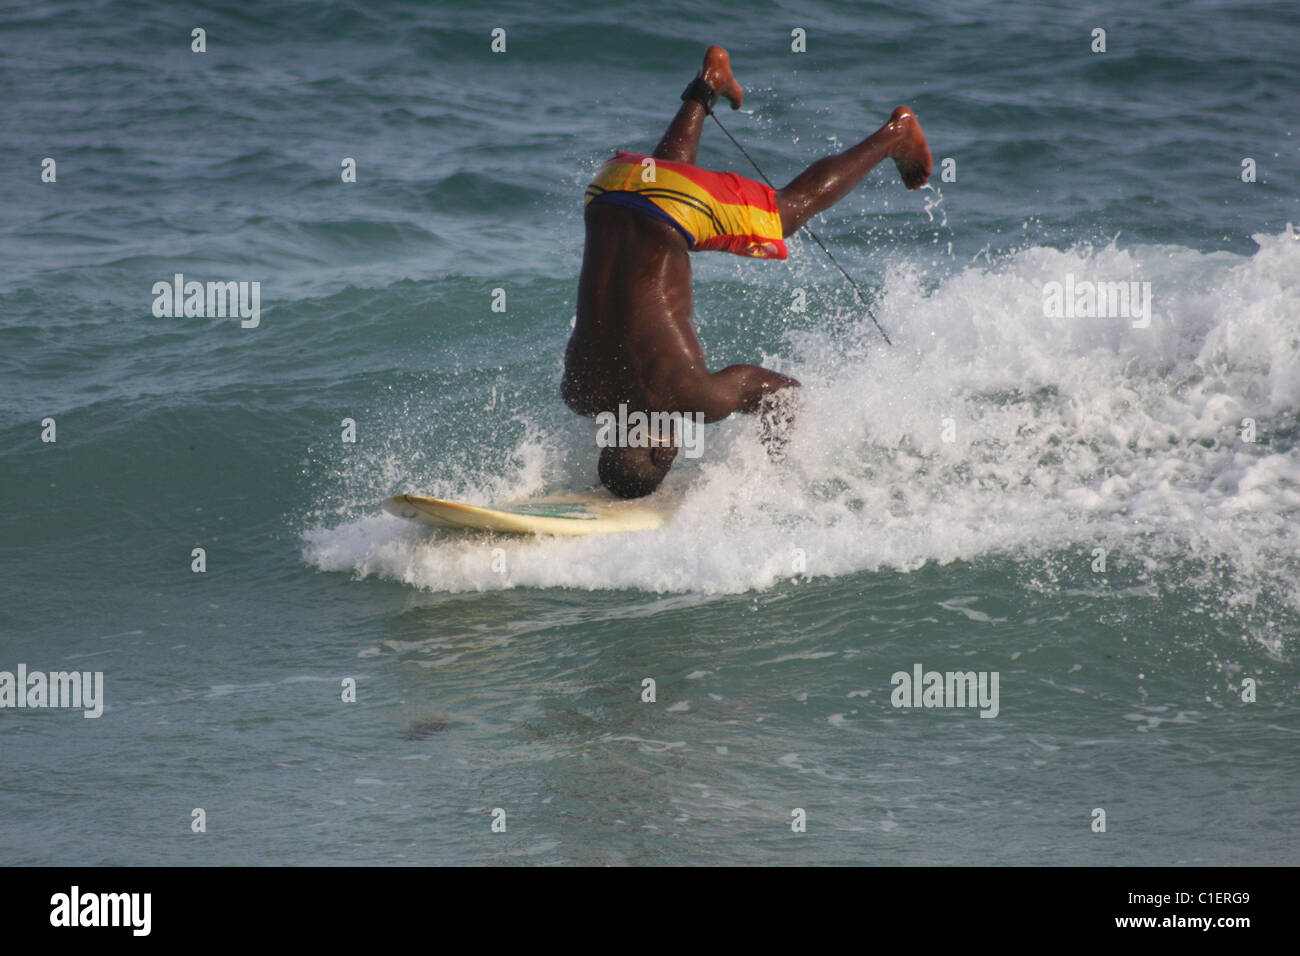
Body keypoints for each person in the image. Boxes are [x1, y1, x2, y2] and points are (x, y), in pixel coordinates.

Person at [562, 45, 932, 498]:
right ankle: (707, 86)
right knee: (665, 187)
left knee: (785, 215)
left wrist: (766, 480)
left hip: (669, 207)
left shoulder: (693, 397)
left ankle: (896, 134)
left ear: (663, 454)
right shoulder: (580, 393)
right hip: (613, 187)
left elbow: (786, 394)